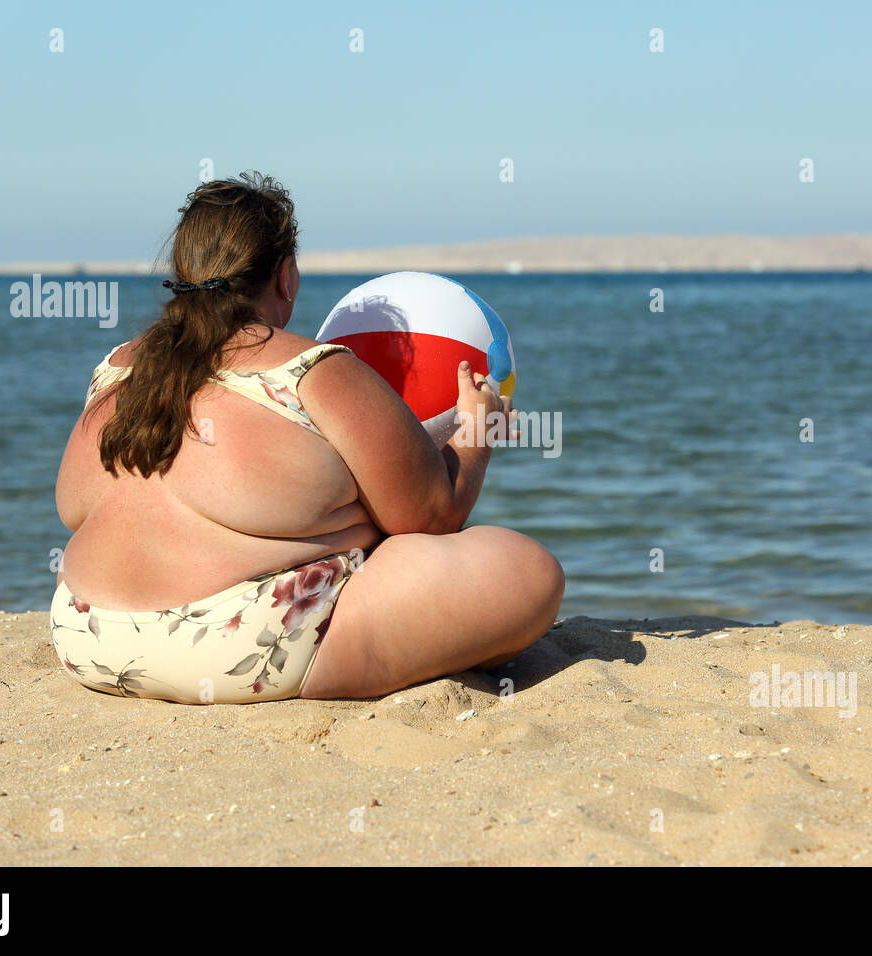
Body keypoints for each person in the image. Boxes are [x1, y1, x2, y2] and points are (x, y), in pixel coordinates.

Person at [51, 172, 563, 703]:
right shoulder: (312, 369)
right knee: (527, 570)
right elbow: (432, 516)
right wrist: (475, 431)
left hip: (86, 638)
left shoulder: (117, 368)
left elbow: (73, 509)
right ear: (285, 277)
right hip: (231, 650)